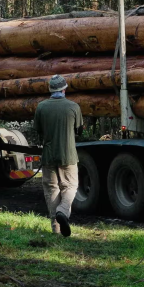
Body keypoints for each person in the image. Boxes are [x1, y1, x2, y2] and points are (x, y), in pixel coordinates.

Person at [33, 75, 82, 237]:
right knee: (70, 186)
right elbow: (79, 130)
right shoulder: (73, 107)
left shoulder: (41, 107)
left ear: (50, 90)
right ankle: (63, 210)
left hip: (48, 155)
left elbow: (38, 131)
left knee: (51, 190)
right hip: (68, 155)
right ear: (64, 89)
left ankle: (56, 230)